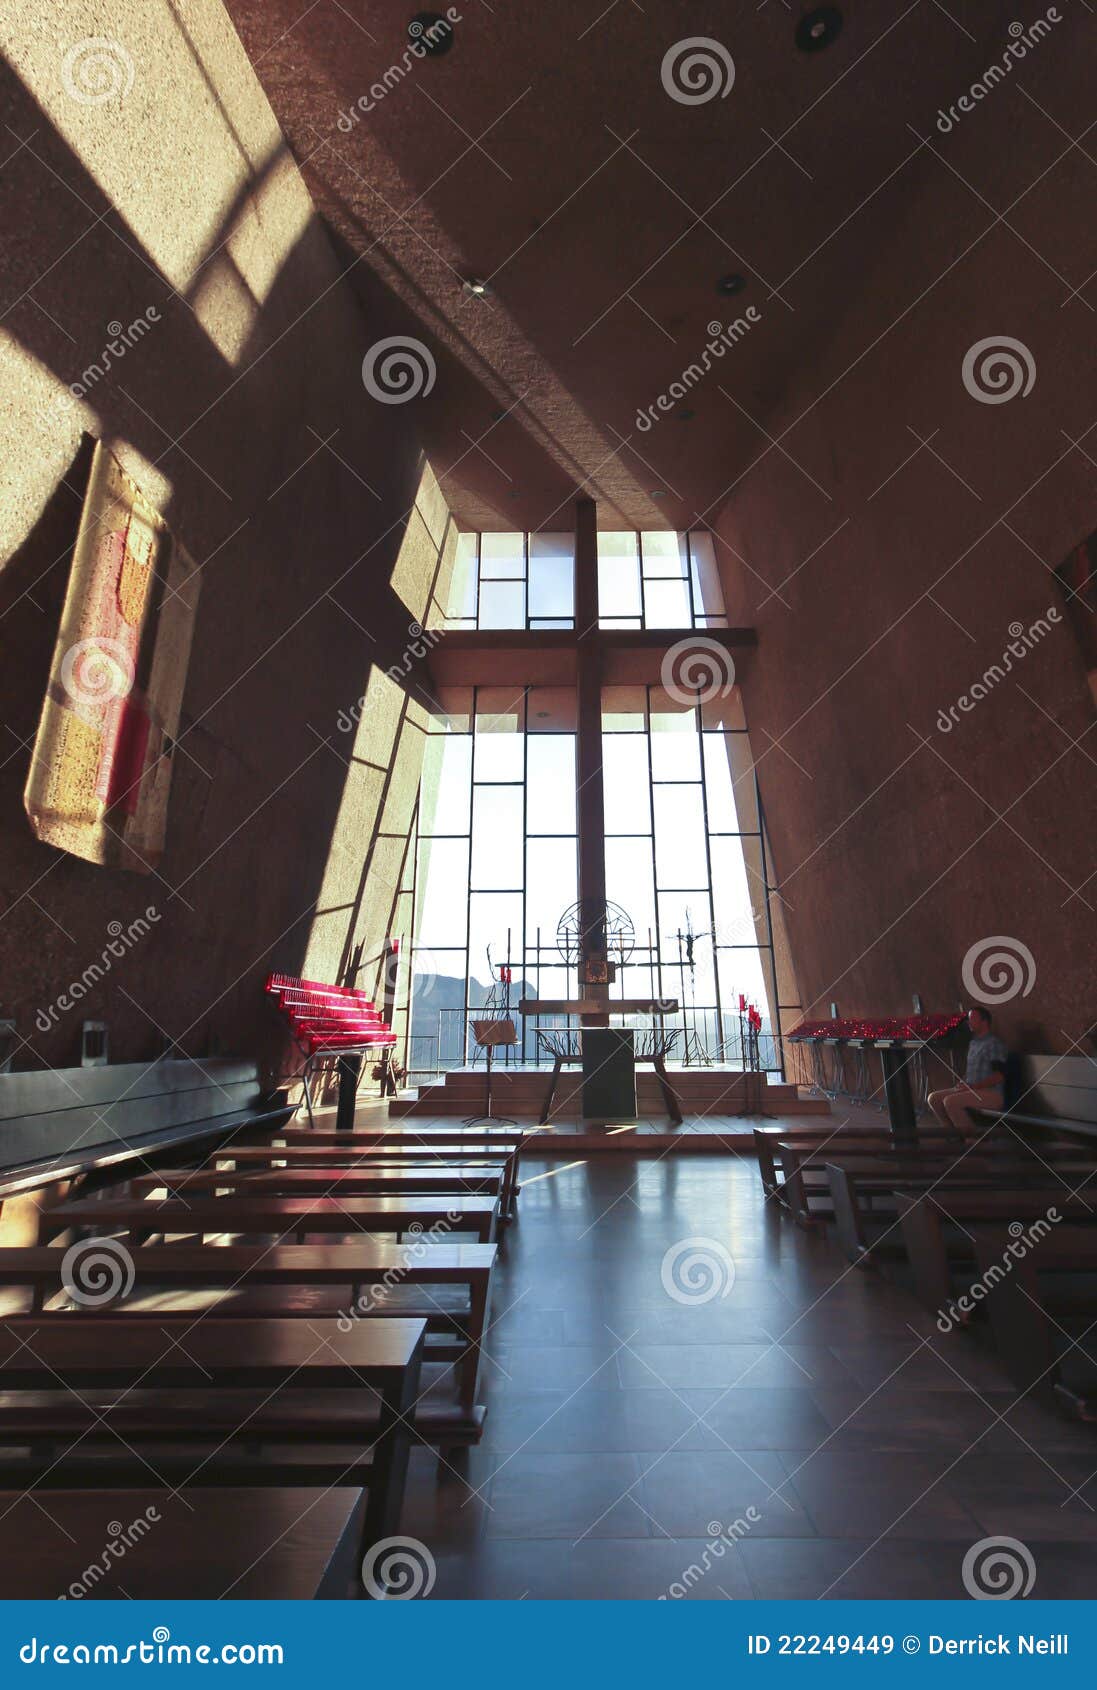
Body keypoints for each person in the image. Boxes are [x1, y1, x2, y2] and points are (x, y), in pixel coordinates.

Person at [927, 1006, 1008, 1137]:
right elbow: (972, 1071)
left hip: (991, 1093)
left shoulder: (993, 1043)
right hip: (973, 1089)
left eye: (972, 1019)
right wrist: (963, 1082)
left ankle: (973, 1141)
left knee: (951, 1102)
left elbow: (1000, 1076)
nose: (968, 1022)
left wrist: (973, 1087)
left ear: (984, 1022)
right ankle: (953, 1136)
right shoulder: (974, 1043)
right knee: (934, 1098)